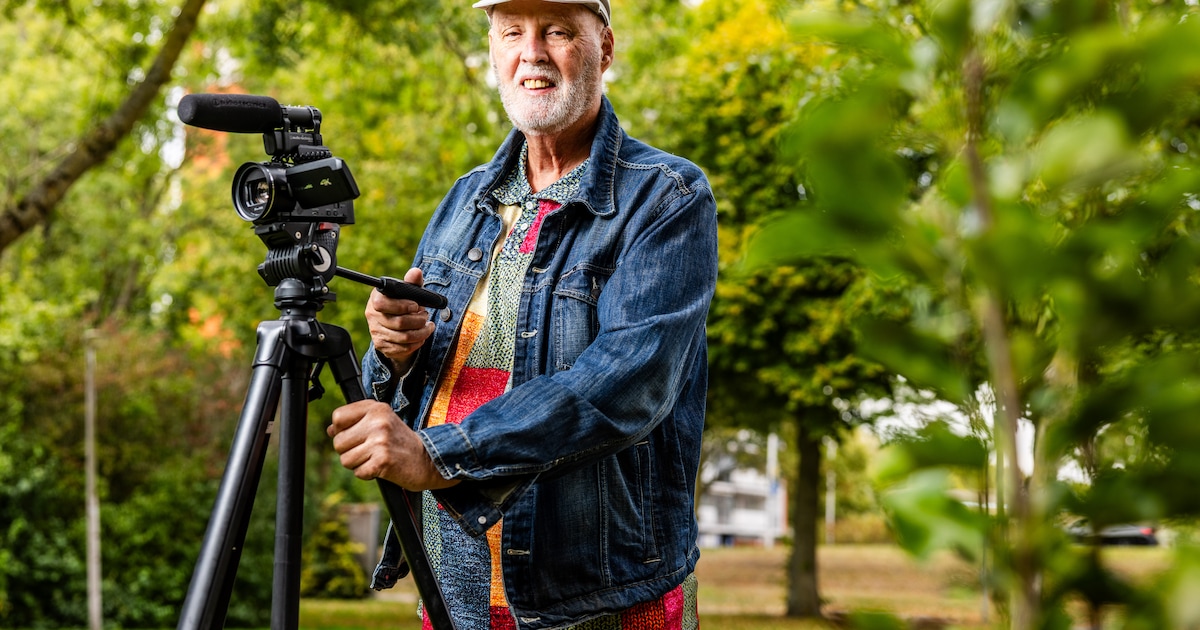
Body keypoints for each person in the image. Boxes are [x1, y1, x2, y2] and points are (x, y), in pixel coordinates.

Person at [326, 0, 717, 628]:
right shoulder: (466, 198)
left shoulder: (666, 195)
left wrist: (440, 455)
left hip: (597, 596)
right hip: (454, 592)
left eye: (557, 31)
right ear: (493, 51)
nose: (530, 51)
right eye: (512, 32)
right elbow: (411, 383)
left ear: (605, 49)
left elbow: (627, 382)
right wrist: (394, 350)